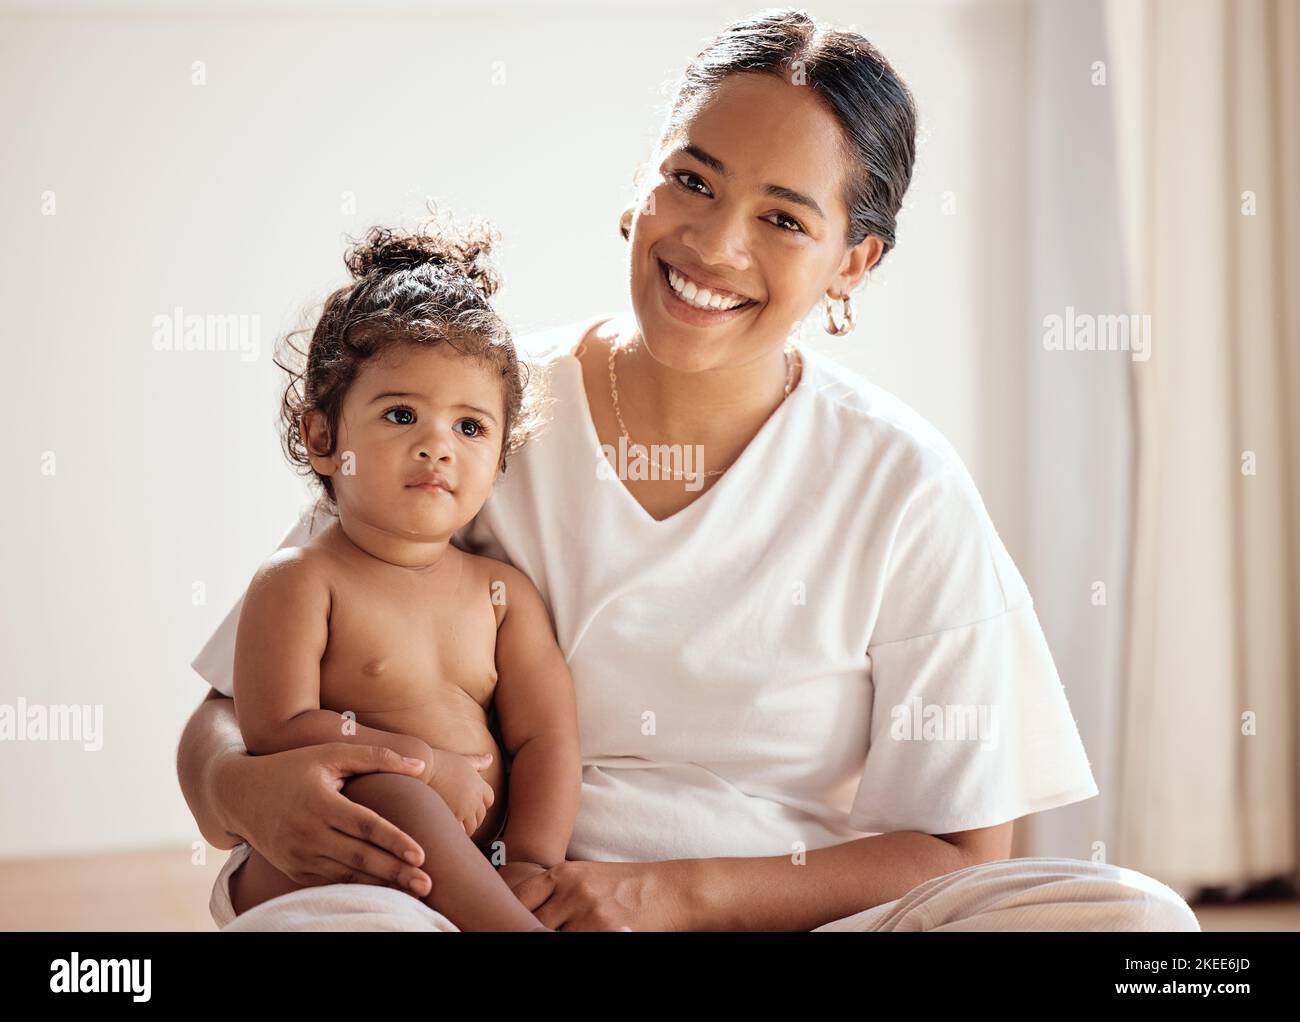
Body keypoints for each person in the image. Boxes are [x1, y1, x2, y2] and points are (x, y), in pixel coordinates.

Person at [178, 8, 1199, 931]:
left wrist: (675, 893)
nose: (712, 243)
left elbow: (963, 852)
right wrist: (235, 791)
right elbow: (233, 701)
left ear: (854, 261)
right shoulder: (475, 404)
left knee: (1139, 927)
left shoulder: (901, 483)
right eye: (692, 179)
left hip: (780, 914)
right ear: (644, 179)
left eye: (784, 218)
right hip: (483, 899)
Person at [221, 219, 582, 931]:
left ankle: (499, 908)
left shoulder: (499, 593)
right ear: (323, 438)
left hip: (465, 875)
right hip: (327, 857)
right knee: (390, 789)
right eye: (401, 414)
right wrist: (422, 764)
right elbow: (274, 728)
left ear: (502, 455)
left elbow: (548, 738)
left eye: (470, 428)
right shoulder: (300, 581)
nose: (436, 447)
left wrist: (533, 858)